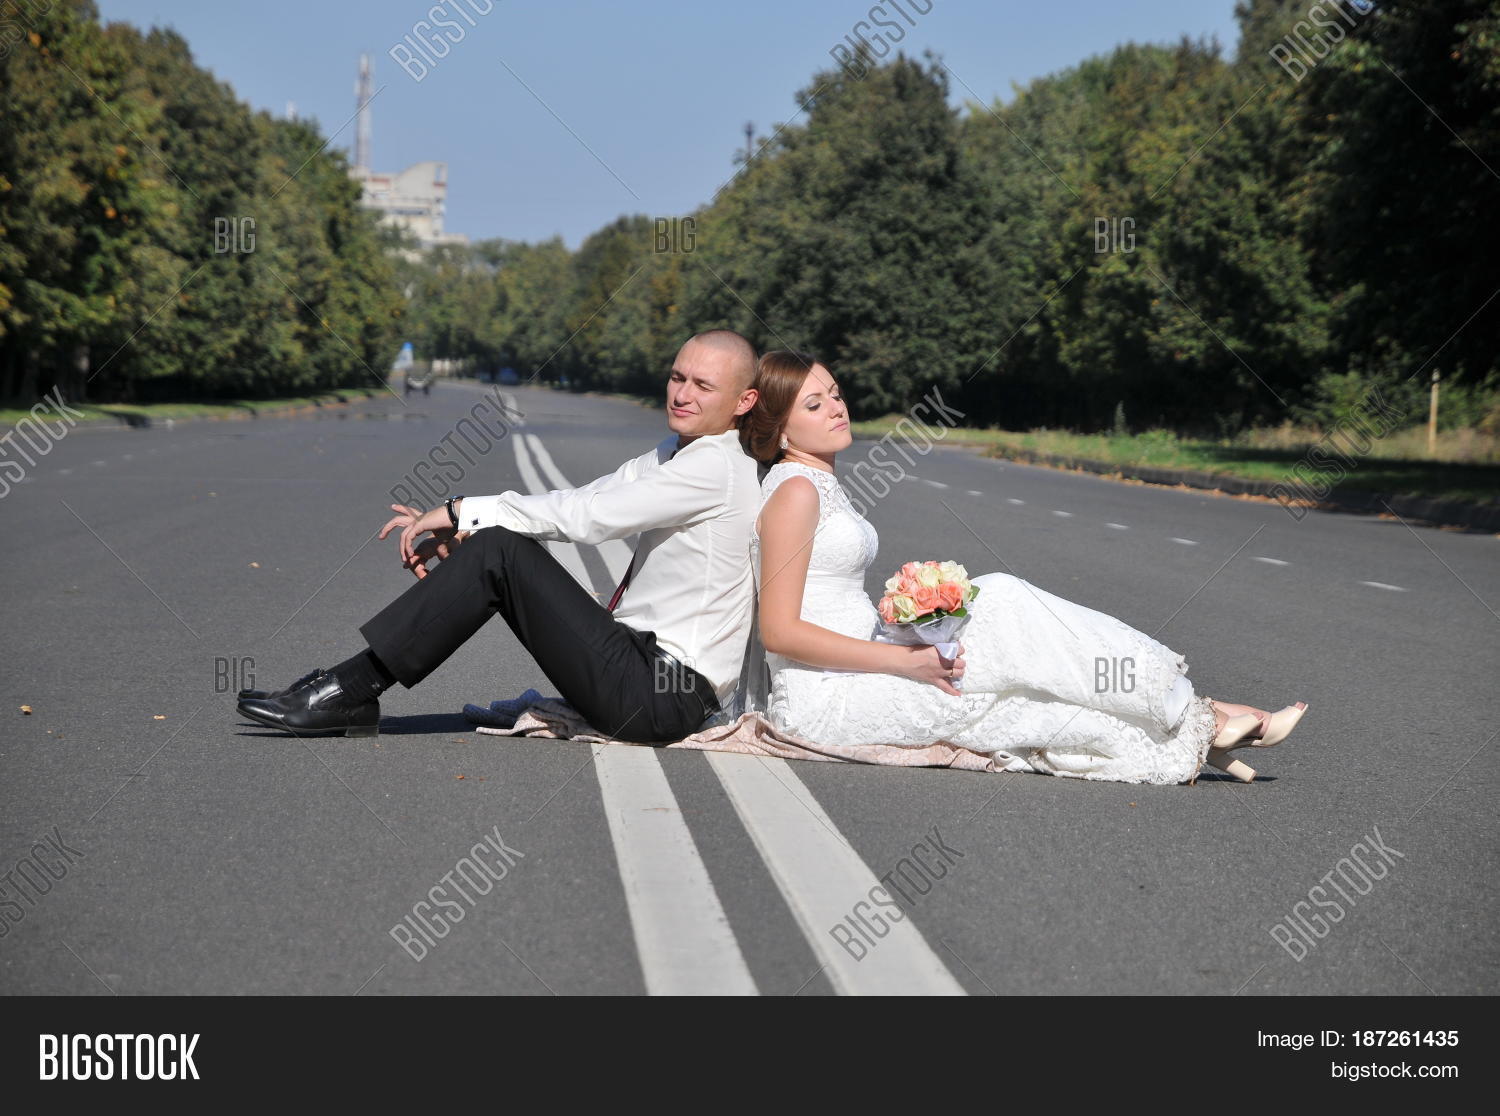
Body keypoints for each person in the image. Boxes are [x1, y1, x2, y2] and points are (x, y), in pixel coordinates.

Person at [742, 350, 1308, 785]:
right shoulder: (796, 492)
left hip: (868, 667)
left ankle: (1199, 727)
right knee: (1005, 611)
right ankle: (1201, 714)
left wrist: (914, 625)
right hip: (830, 700)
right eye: (814, 405)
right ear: (782, 431)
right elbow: (781, 632)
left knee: (1021, 692)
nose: (837, 408)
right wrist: (904, 659)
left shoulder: (818, 484)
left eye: (835, 393)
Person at [238, 330, 762, 743]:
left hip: (662, 694)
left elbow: (591, 517)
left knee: (500, 550)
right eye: (677, 377)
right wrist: (473, 524)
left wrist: (462, 511)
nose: (682, 393)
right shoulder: (676, 452)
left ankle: (347, 692)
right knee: (497, 548)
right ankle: (346, 690)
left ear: (743, 401)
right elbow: (584, 496)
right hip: (636, 666)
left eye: (703, 385)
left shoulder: (716, 465)